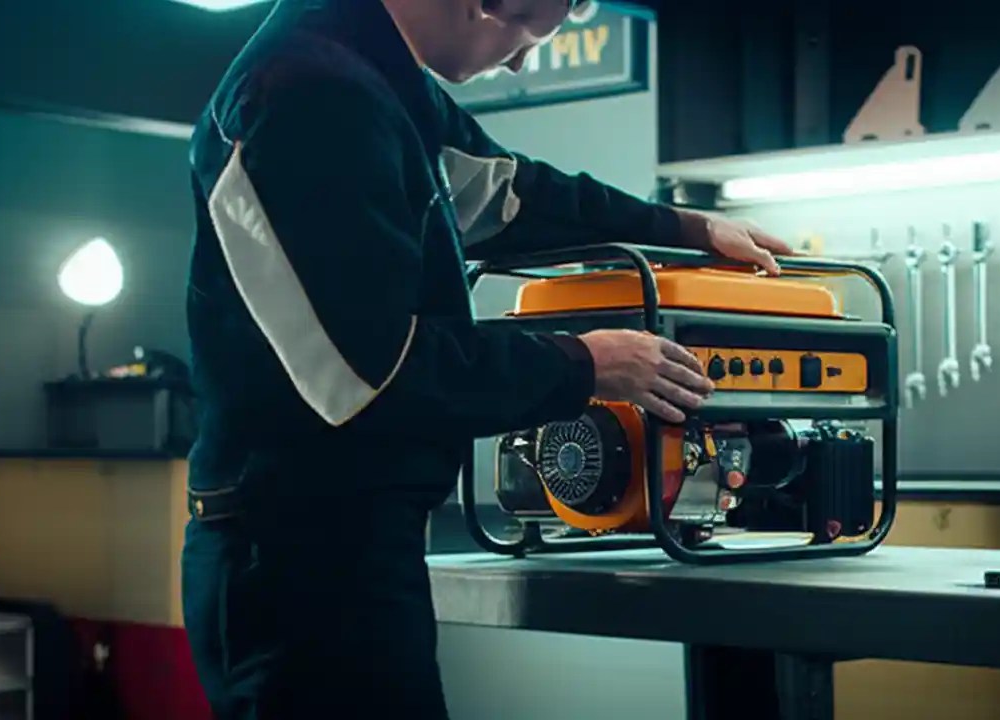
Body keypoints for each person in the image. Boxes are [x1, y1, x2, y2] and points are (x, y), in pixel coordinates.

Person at [179, 0, 794, 717]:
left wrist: (687, 228)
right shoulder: (312, 95)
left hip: (339, 539)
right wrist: (586, 365)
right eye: (528, 35)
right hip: (300, 555)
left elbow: (508, 196)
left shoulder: (374, 74)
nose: (522, 62)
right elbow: (365, 375)